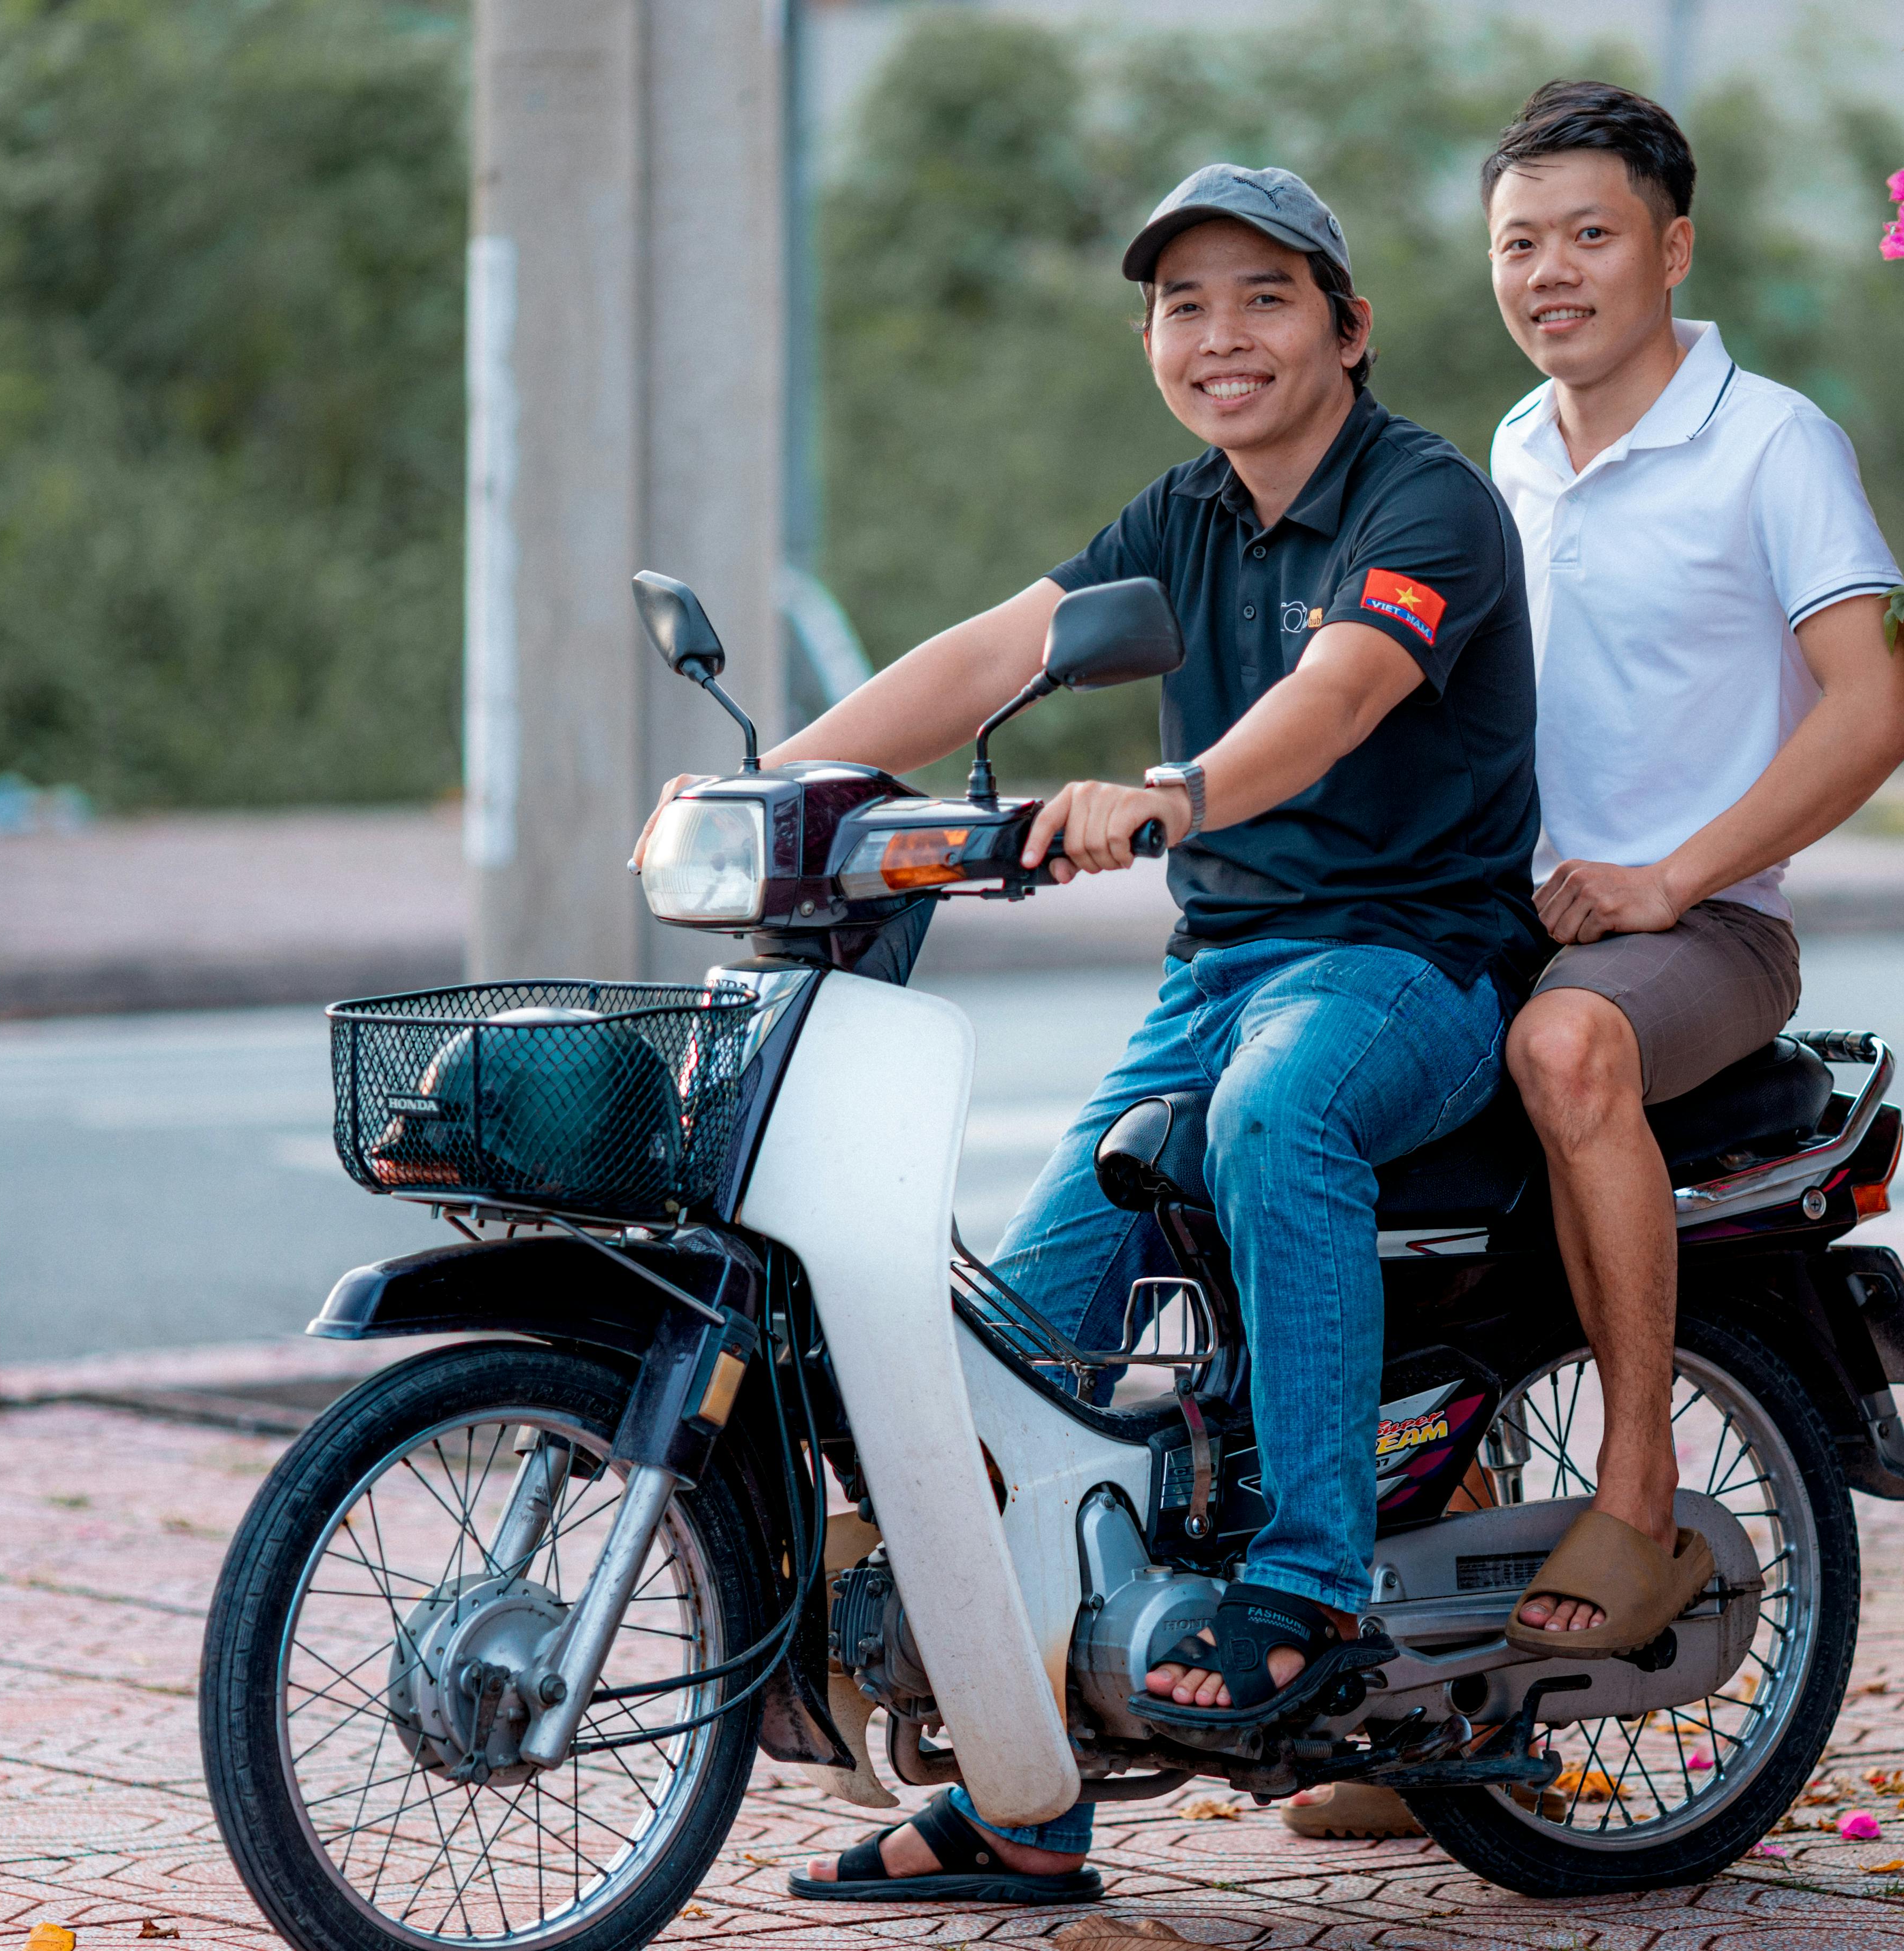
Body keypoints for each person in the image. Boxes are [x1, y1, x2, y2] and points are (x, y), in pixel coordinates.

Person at [645, 163, 1545, 1904]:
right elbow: (994, 652)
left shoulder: (1424, 502)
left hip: (1409, 965)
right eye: (1183, 306)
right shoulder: (1183, 519)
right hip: (1223, 973)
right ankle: (1022, 1797)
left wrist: (1172, 794)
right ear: (1149, 342)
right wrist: (774, 786)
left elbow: (1338, 696)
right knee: (1017, 1354)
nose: (1222, 336)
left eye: (1265, 298)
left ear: (1349, 328)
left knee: (1275, 1118)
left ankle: (1308, 1587)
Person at [1483, 81, 1904, 1650]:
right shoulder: (1513, 449)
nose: (1550, 271)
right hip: (1523, 914)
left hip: (1706, 931)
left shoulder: (1772, 442)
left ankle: (1638, 1495)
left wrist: (1669, 880)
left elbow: (1878, 708)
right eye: (1518, 243)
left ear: (1672, 251)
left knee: (1567, 1045)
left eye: (1589, 235)